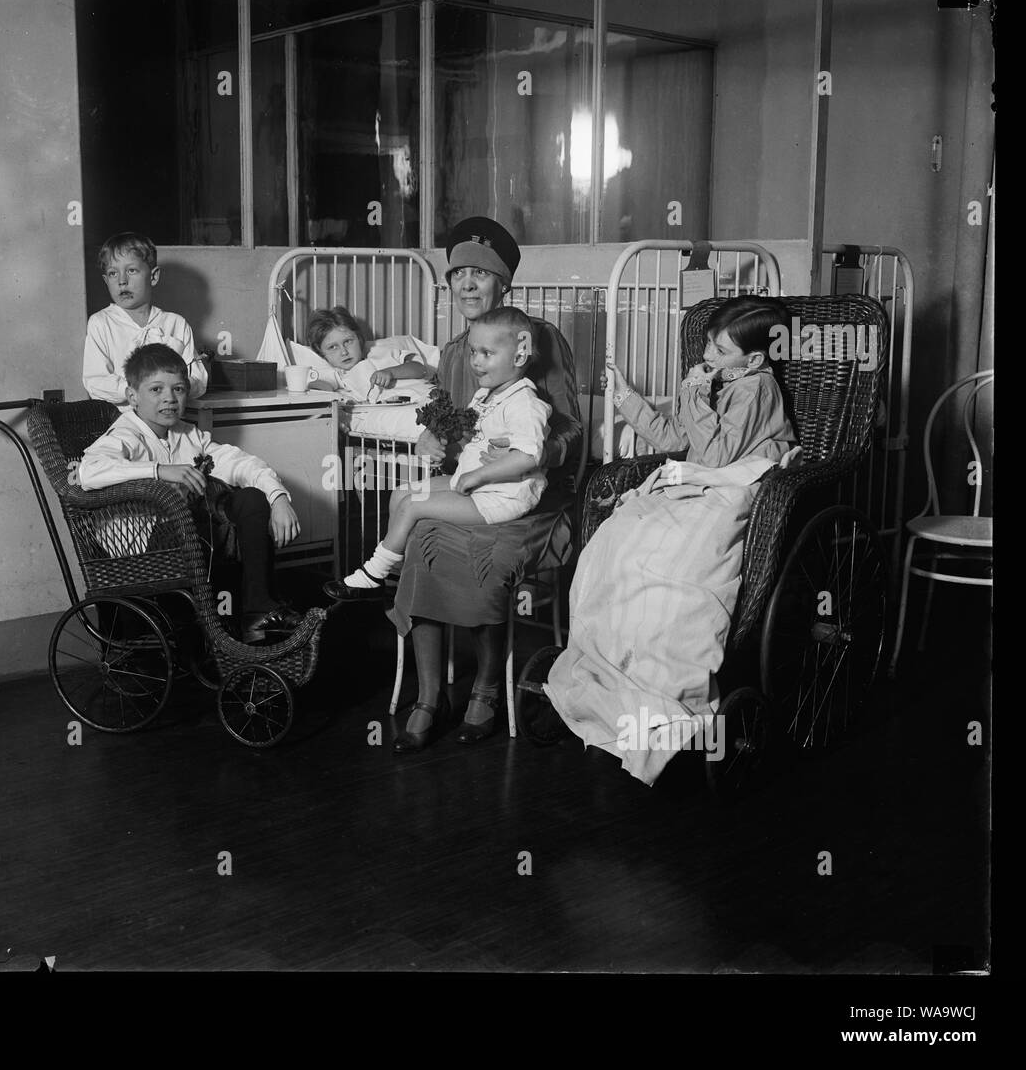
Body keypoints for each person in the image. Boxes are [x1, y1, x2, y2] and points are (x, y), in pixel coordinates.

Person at [540, 295, 799, 784]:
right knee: (618, 547)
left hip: (731, 488)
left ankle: (657, 689)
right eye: (709, 345)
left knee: (669, 569)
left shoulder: (757, 389)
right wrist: (624, 398)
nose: (708, 356)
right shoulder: (726, 380)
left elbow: (717, 455)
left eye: (720, 351)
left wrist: (695, 394)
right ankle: (610, 670)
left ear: (755, 360)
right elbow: (673, 436)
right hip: (698, 478)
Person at [373, 217, 583, 750]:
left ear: (504, 285)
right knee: (421, 530)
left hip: (531, 498)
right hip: (474, 487)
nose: (467, 284)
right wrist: (432, 436)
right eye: (458, 274)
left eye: (480, 275)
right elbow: (454, 421)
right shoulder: (451, 352)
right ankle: (427, 695)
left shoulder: (536, 340)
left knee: (480, 549)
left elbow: (570, 431)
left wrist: (523, 458)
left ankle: (487, 688)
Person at [325, 306, 552, 653]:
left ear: (520, 352)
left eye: (487, 353)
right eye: (474, 352)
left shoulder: (525, 402)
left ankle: (373, 574)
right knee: (402, 493)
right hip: (478, 483)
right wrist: (441, 438)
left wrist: (478, 473)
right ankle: (390, 574)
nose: (476, 361)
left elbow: (528, 456)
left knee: (415, 505)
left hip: (502, 497)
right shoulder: (487, 394)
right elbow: (471, 431)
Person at [78, 344, 302, 644]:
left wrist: (279, 498)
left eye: (178, 389)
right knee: (197, 518)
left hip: (184, 531)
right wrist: (158, 470)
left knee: (251, 499)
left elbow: (238, 461)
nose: (169, 398)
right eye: (156, 389)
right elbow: (88, 471)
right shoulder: (125, 433)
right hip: (141, 543)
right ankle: (226, 621)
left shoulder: (188, 434)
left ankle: (256, 610)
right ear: (133, 396)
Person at [82, 232, 208, 407]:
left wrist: (169, 389)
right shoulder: (101, 323)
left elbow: (198, 380)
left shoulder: (175, 323)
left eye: (131, 271)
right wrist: (140, 390)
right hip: (121, 423)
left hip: (169, 420)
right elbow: (95, 382)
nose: (122, 281)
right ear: (106, 280)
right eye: (113, 273)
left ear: (153, 276)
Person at [305, 306, 436, 406]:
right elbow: (321, 389)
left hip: (428, 395)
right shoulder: (338, 376)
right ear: (321, 352)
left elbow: (420, 369)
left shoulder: (380, 352)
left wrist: (390, 372)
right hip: (406, 407)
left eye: (348, 341)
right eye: (333, 347)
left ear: (359, 338)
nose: (344, 352)